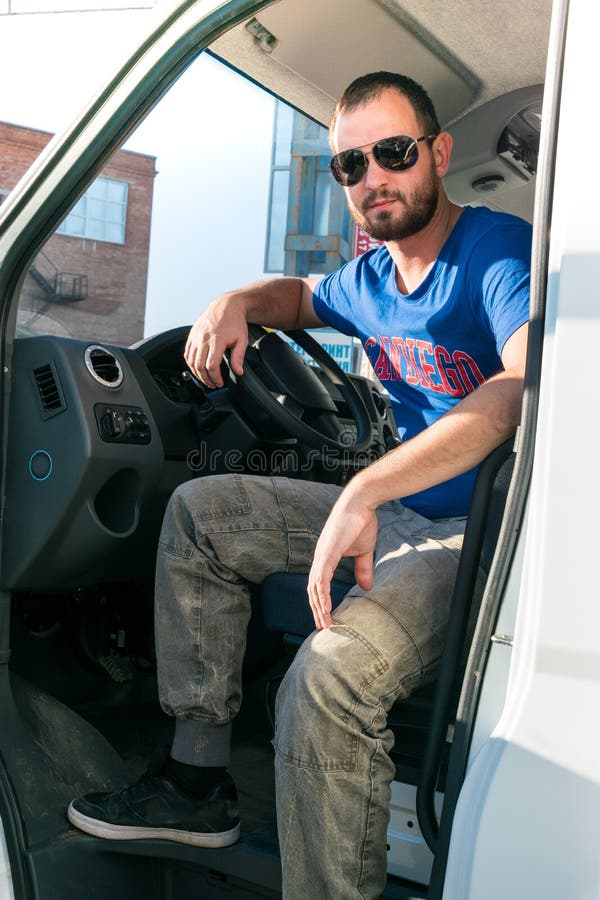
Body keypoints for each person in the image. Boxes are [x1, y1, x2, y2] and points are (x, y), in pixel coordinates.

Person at [68, 72, 531, 898]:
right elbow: (299, 296)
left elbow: (516, 390)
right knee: (202, 513)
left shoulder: (494, 251)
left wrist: (366, 490)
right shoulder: (372, 280)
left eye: (392, 153)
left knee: (324, 678)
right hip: (395, 511)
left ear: (438, 152)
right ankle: (197, 782)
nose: (372, 179)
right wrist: (233, 301)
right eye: (350, 166)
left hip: (475, 537)